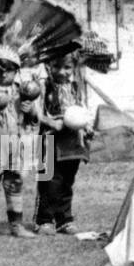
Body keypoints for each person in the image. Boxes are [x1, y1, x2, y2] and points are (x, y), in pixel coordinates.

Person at [0, 47, 39, 238]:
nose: (4, 75)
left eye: (9, 71)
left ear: (17, 72)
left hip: (15, 146)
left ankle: (16, 225)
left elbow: (34, 119)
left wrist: (30, 111)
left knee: (15, 184)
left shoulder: (22, 93)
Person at [35, 54, 93, 235]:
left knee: (67, 181)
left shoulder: (77, 87)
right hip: (50, 138)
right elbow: (35, 112)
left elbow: (82, 109)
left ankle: (64, 220)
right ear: (48, 66)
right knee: (49, 180)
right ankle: (44, 220)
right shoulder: (43, 86)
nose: (62, 72)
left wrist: (87, 126)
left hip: (72, 141)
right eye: (56, 66)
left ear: (74, 68)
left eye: (67, 67)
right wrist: (51, 122)